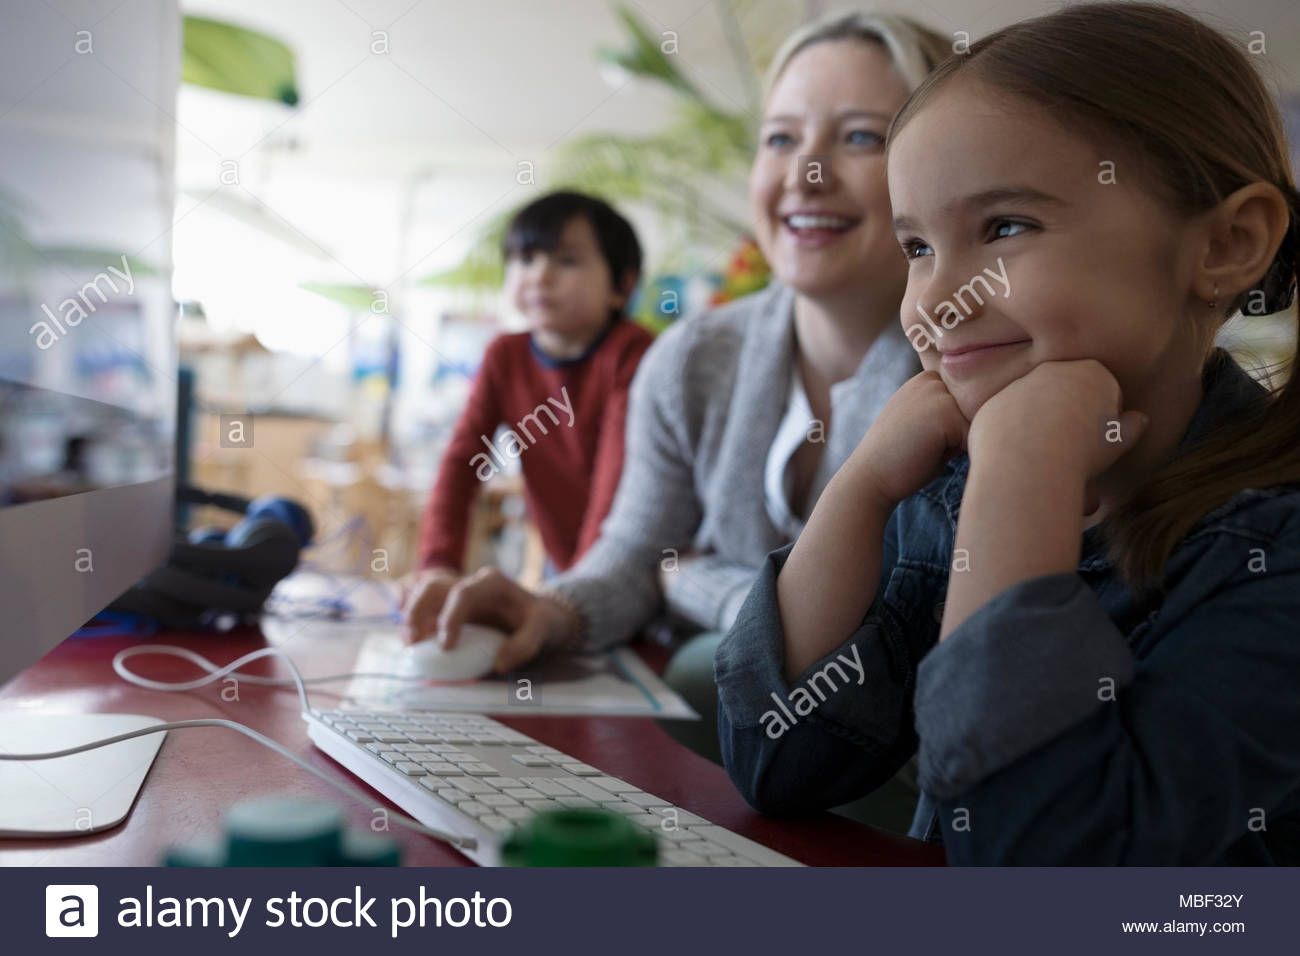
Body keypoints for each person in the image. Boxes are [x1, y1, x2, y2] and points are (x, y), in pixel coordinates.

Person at [716, 2, 1300, 864]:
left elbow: (1040, 871)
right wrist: (866, 484)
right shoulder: (945, 492)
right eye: (917, 245)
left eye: (1005, 228)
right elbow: (778, 755)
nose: (936, 300)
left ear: (1226, 245)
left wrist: (1023, 478)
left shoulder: (1273, 553)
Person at [402, 12, 947, 814]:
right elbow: (635, 553)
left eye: (860, 138)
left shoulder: (972, 369)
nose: (807, 173)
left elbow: (872, 641)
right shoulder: (691, 358)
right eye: (781, 138)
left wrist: (698, 581)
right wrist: (549, 612)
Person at [410, 191, 653, 594]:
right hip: (567, 565)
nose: (540, 275)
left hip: (641, 567)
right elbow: (462, 462)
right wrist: (438, 565)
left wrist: (580, 593)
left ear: (622, 287)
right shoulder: (504, 356)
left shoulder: (634, 353)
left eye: (567, 260)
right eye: (525, 259)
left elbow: (619, 481)